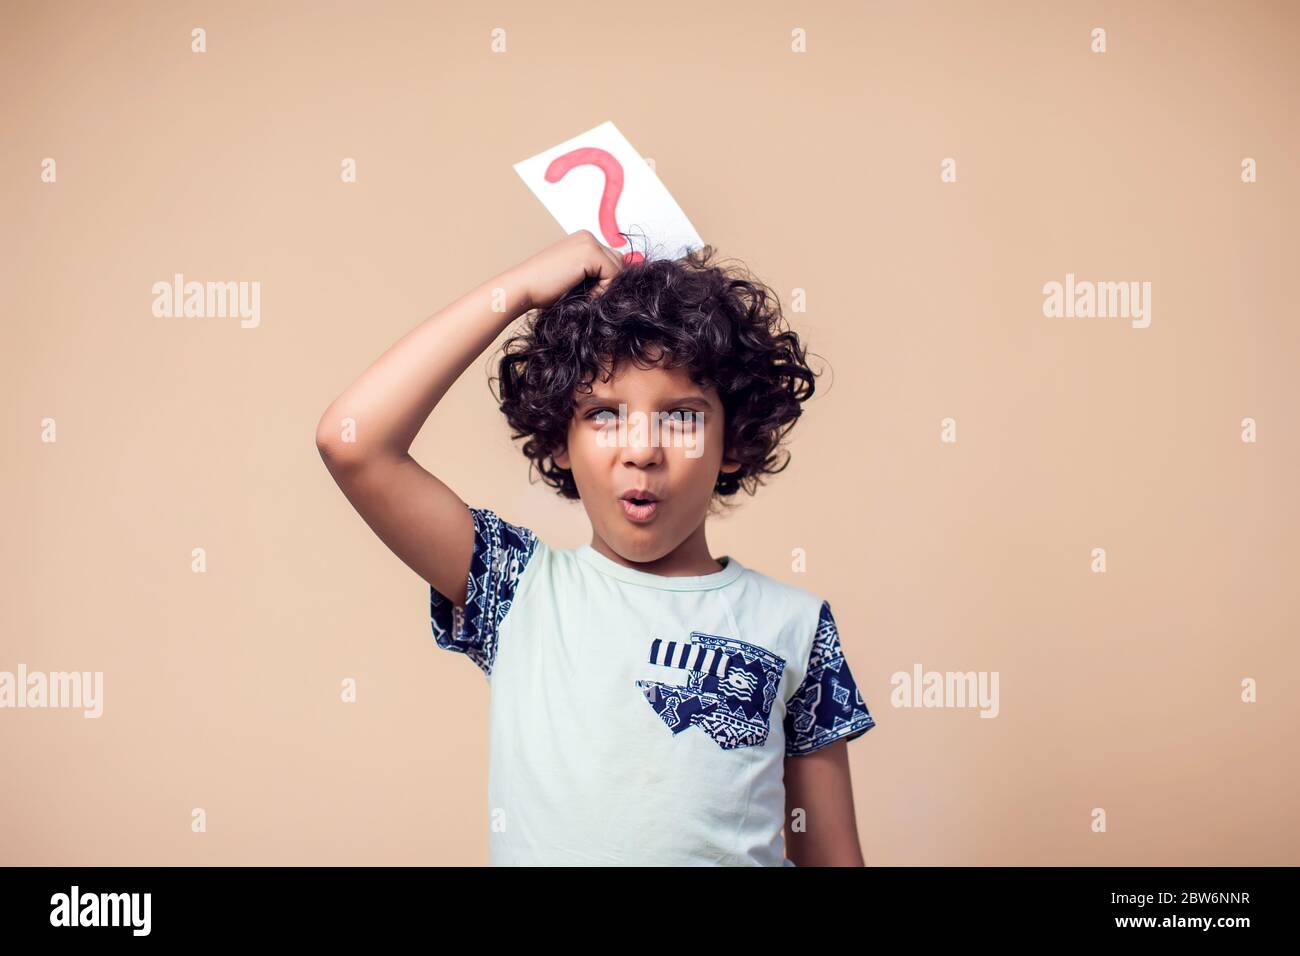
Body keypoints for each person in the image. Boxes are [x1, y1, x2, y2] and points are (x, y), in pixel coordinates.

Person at [316, 231, 877, 865]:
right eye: (604, 414)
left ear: (735, 440)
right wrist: (522, 288)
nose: (641, 449)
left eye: (683, 416)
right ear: (559, 437)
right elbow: (352, 441)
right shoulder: (514, 588)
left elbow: (832, 858)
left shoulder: (796, 628)